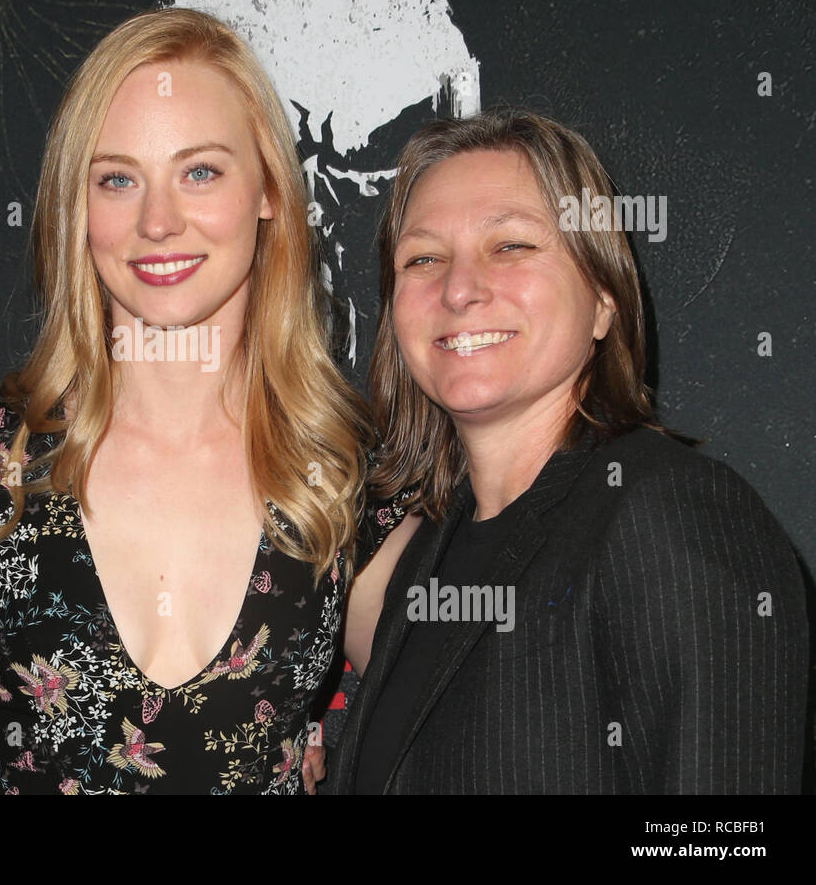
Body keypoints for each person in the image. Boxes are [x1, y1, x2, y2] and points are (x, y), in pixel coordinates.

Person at [0, 7, 411, 794]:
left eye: (201, 172)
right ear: (78, 209)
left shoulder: (352, 473)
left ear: (270, 194)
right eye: (117, 179)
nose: (157, 221)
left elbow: (482, 702)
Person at [329, 108, 809, 794]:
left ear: (605, 300)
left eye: (512, 246)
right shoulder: (426, 558)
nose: (459, 289)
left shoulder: (669, 515)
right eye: (424, 258)